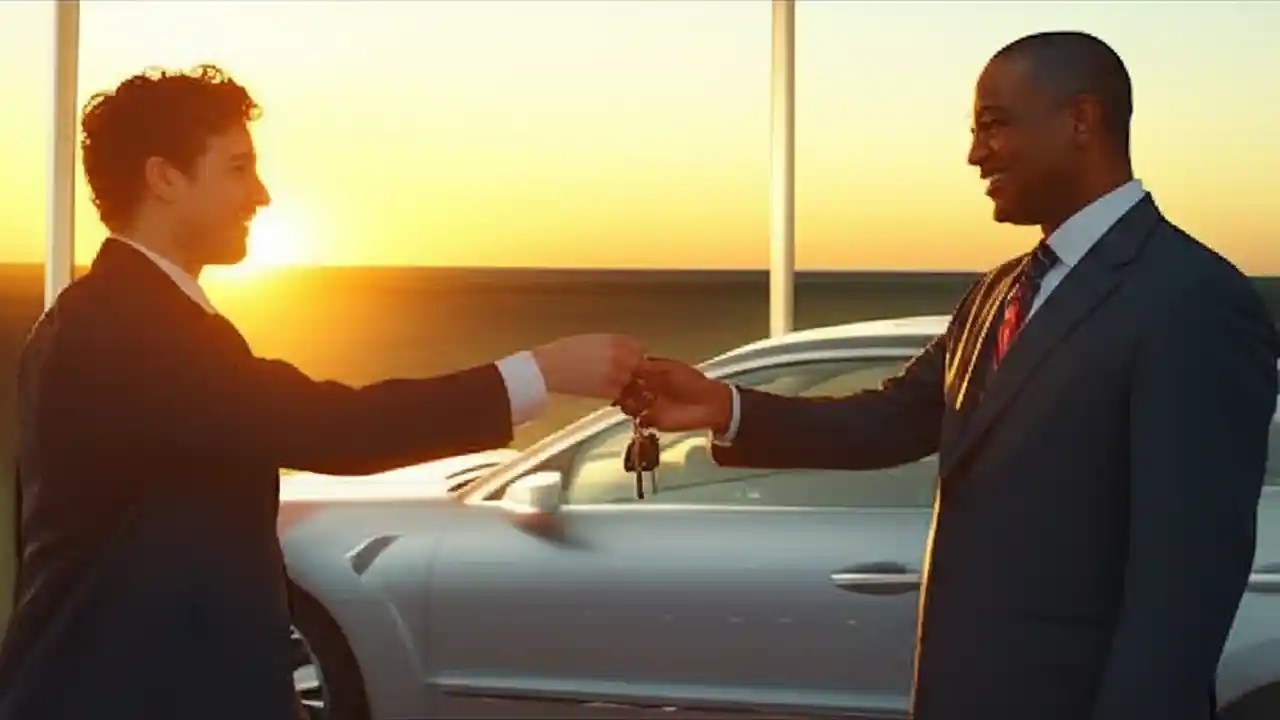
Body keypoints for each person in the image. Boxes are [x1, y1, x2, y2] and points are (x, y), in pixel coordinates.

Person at [635, 31, 1278, 720]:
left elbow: (1182, 586)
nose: (974, 154)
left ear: (1081, 120)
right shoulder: (999, 292)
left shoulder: (1195, 301)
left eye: (995, 125)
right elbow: (890, 419)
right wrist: (722, 407)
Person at [0, 64, 648, 720]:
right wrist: (543, 370)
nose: (261, 194)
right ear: (164, 177)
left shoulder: (121, 318)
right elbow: (333, 426)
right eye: (237, 168)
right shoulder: (130, 329)